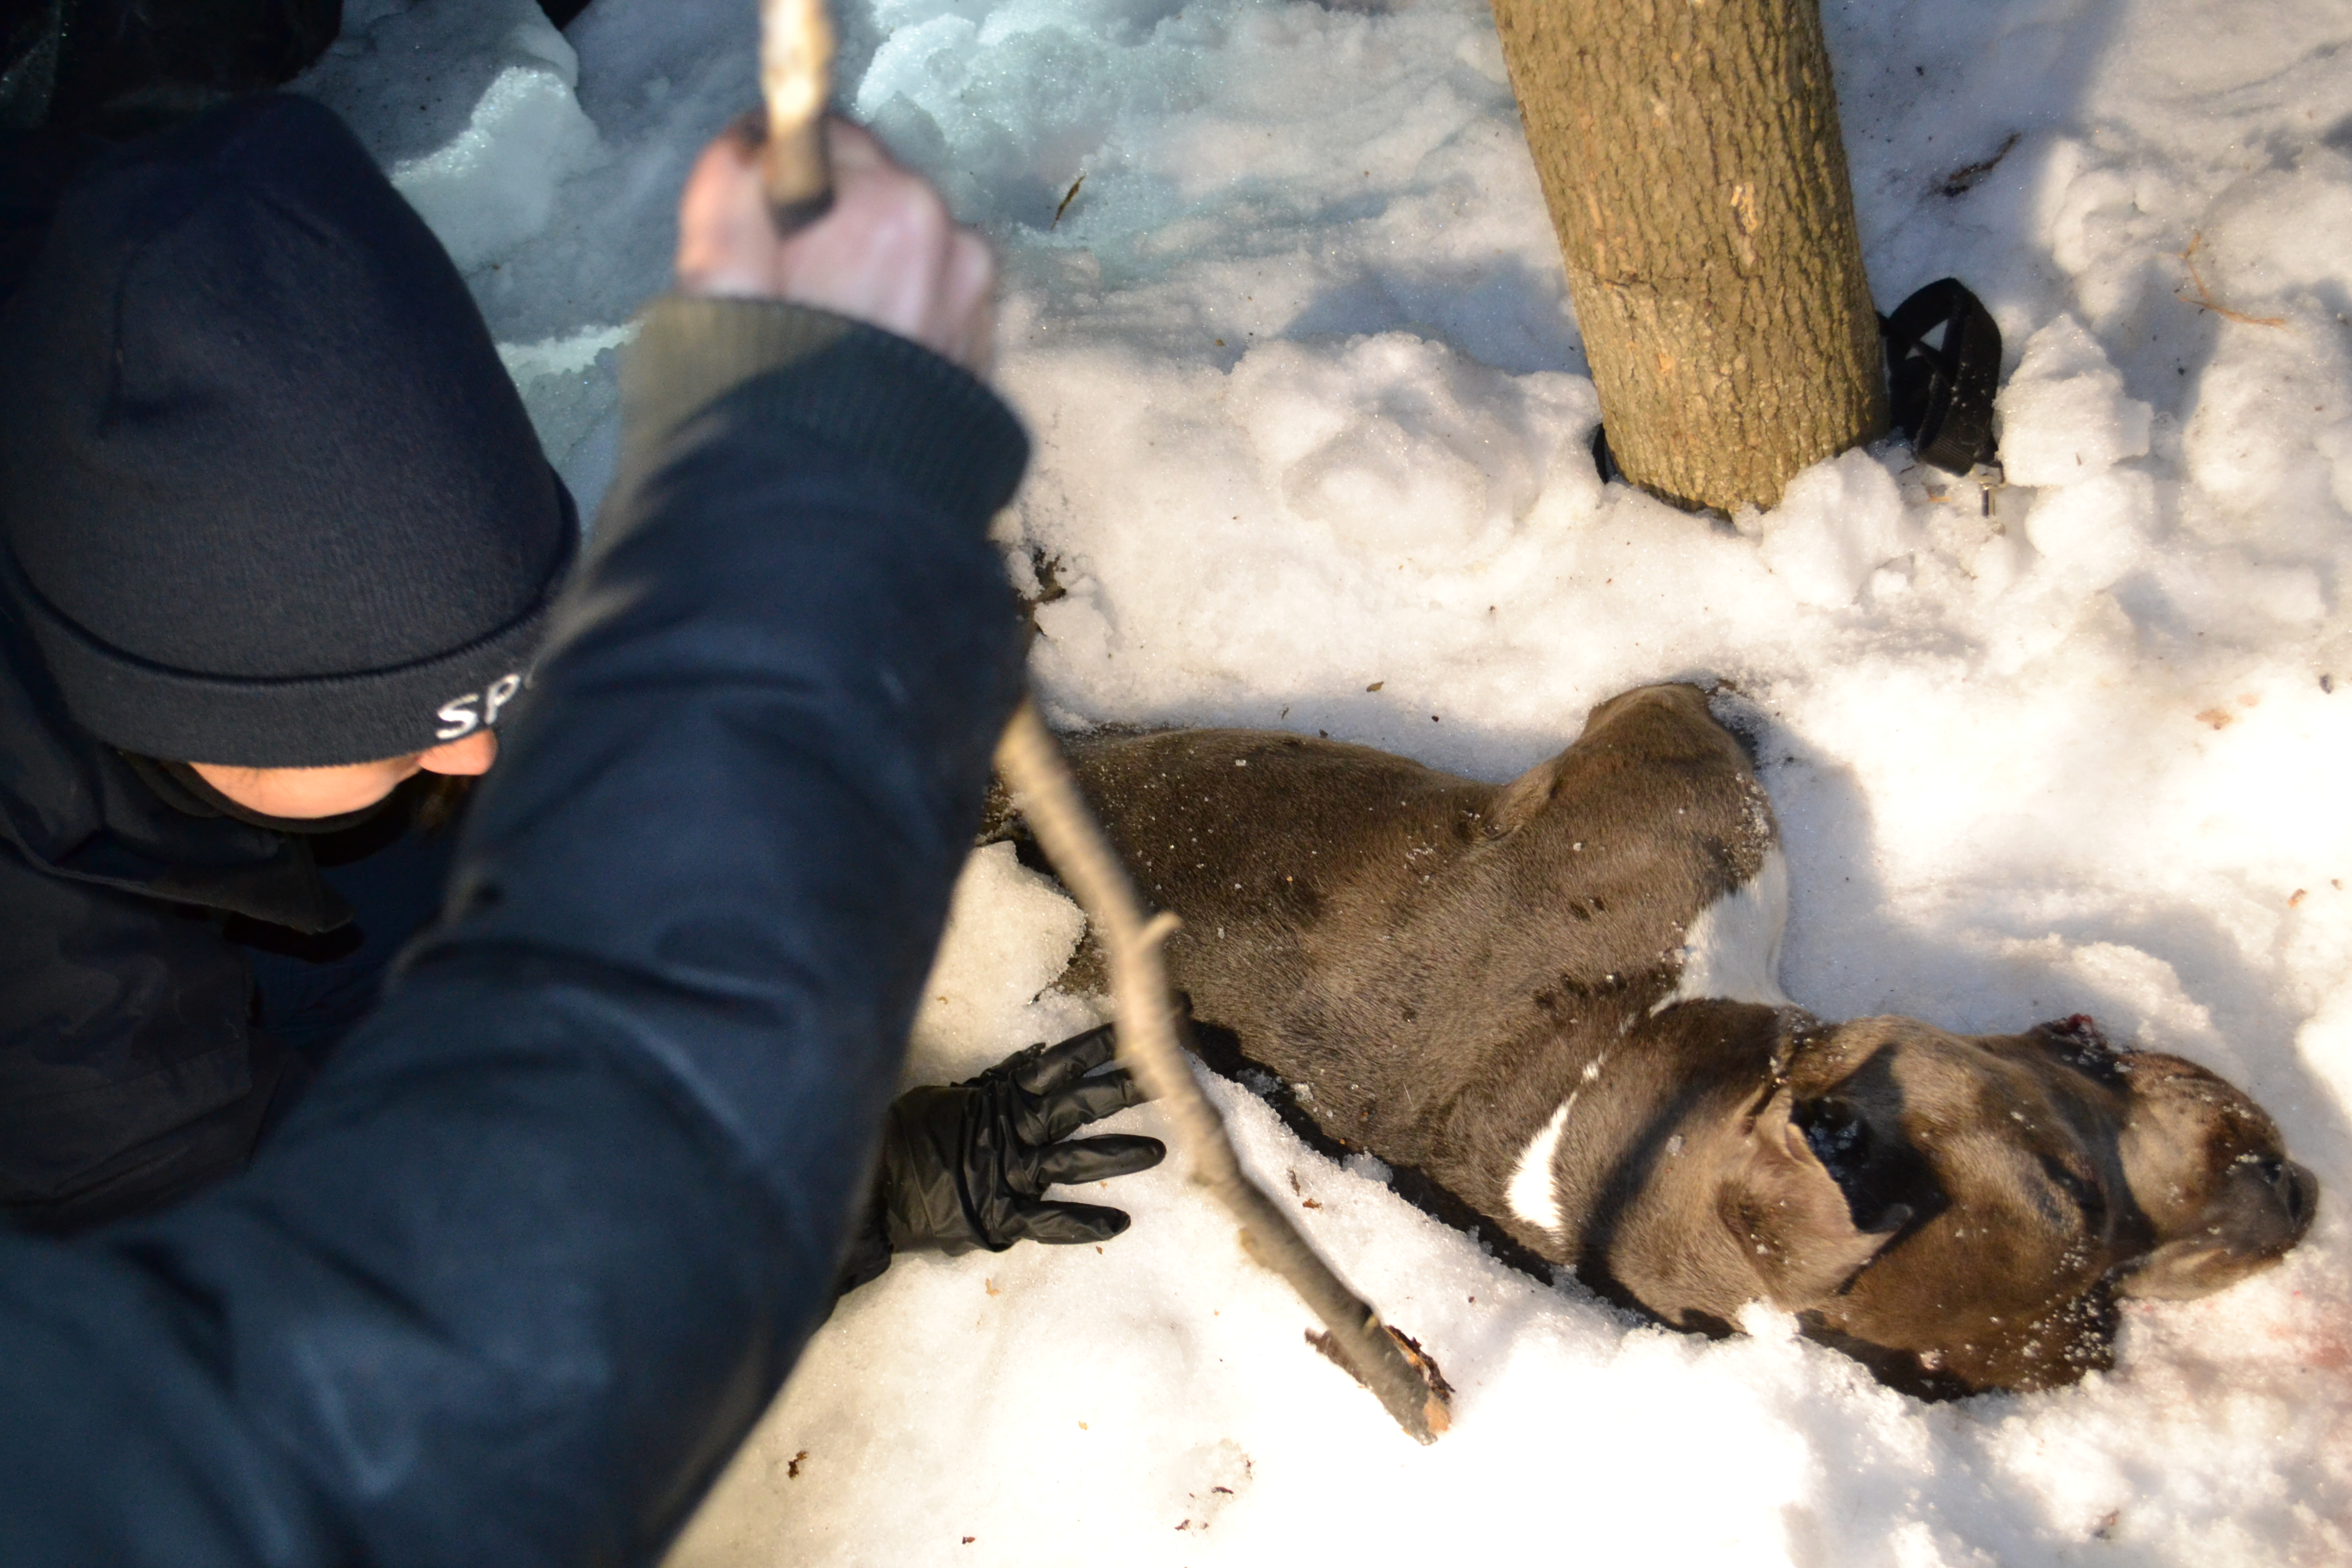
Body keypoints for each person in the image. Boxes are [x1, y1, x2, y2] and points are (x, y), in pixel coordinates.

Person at [3, 87, 1116, 1561]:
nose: (471, 753)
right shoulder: (56, 1019)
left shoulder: (119, 338)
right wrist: (833, 1195)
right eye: (391, 723)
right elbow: (364, 1415)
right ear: (163, 695)